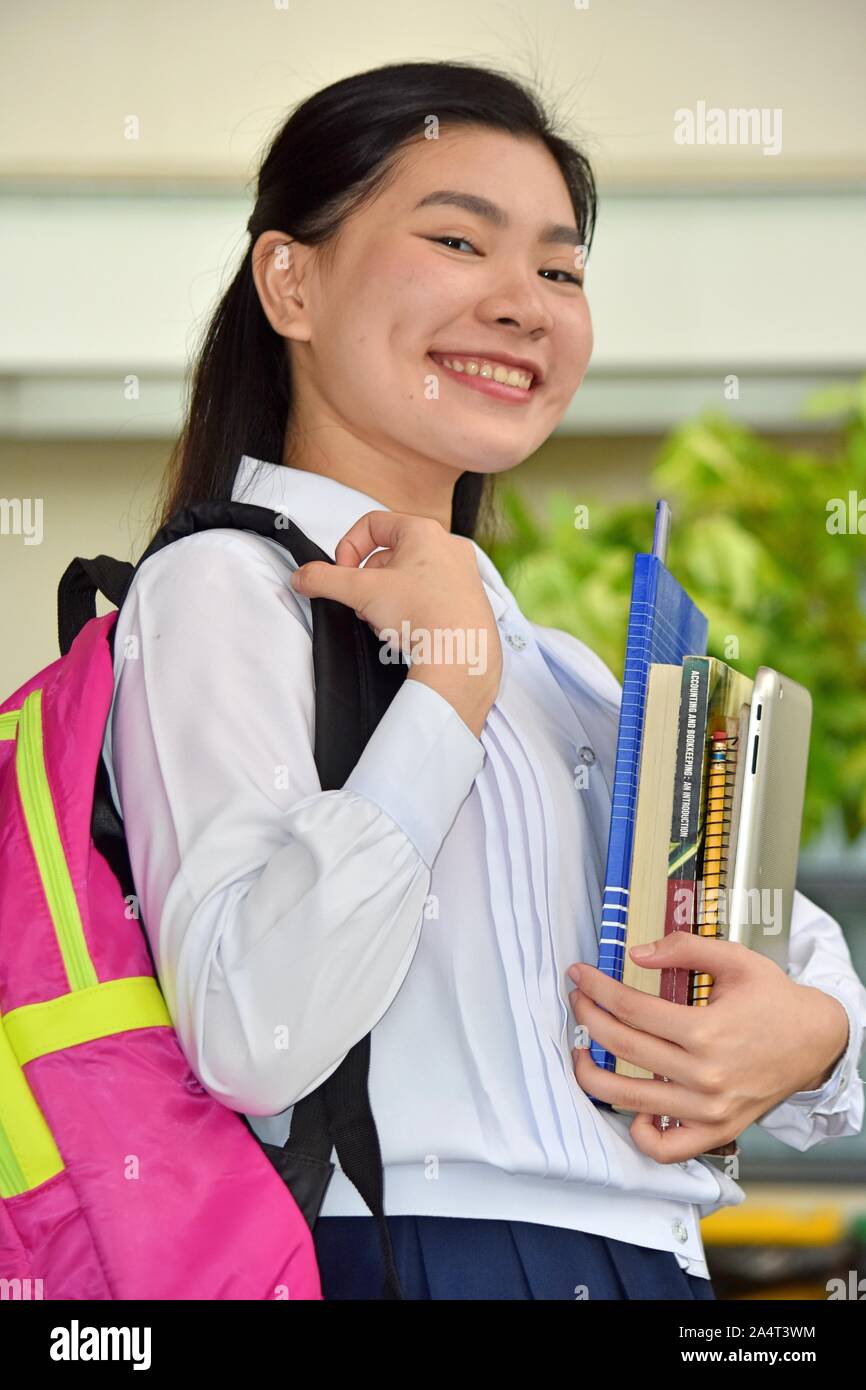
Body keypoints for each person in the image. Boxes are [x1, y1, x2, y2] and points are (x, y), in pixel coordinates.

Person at [102, 60, 866, 1301]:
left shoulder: (560, 671)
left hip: (657, 1269)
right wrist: (443, 692)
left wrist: (809, 1036)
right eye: (459, 241)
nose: (523, 305)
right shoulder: (223, 589)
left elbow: (793, 955)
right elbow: (255, 1033)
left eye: (559, 270)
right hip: (416, 1254)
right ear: (289, 280)